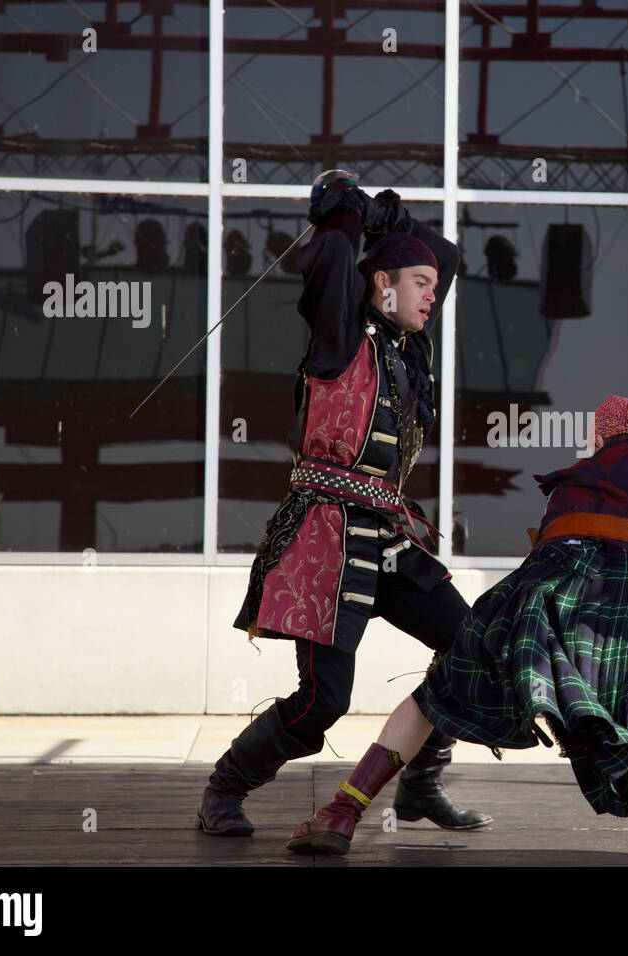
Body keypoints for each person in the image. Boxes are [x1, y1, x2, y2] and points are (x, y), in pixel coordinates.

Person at [285, 395, 628, 866]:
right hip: (619, 584)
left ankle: (340, 816)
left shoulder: (575, 477)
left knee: (438, 693)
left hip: (536, 588)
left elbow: (554, 537)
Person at [196, 174, 492, 837]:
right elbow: (333, 261)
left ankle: (418, 785)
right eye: (420, 284)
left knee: (472, 647)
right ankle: (224, 788)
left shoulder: (401, 352)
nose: (433, 294)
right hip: (325, 538)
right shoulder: (340, 334)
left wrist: (395, 227)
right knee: (320, 705)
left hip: (385, 537)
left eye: (434, 289)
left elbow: (439, 254)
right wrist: (344, 211)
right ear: (382, 284)